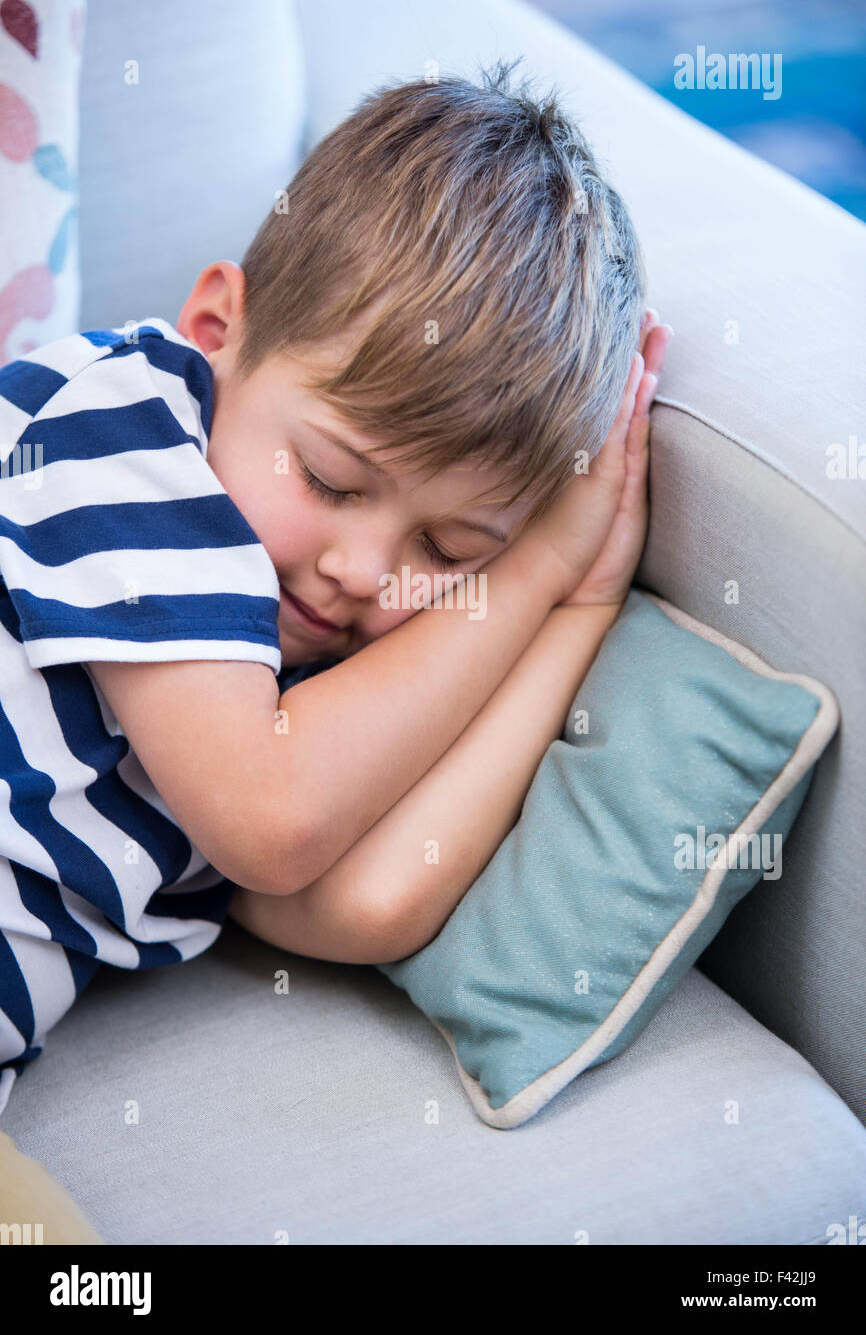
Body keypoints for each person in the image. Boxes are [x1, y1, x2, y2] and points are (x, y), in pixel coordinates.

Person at [0, 60, 671, 1241]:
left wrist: (574, 607)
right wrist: (524, 573)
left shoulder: (300, 676)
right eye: (329, 479)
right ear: (219, 329)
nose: (367, 570)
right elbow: (272, 817)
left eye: (450, 543)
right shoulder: (120, 433)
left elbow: (363, 898)